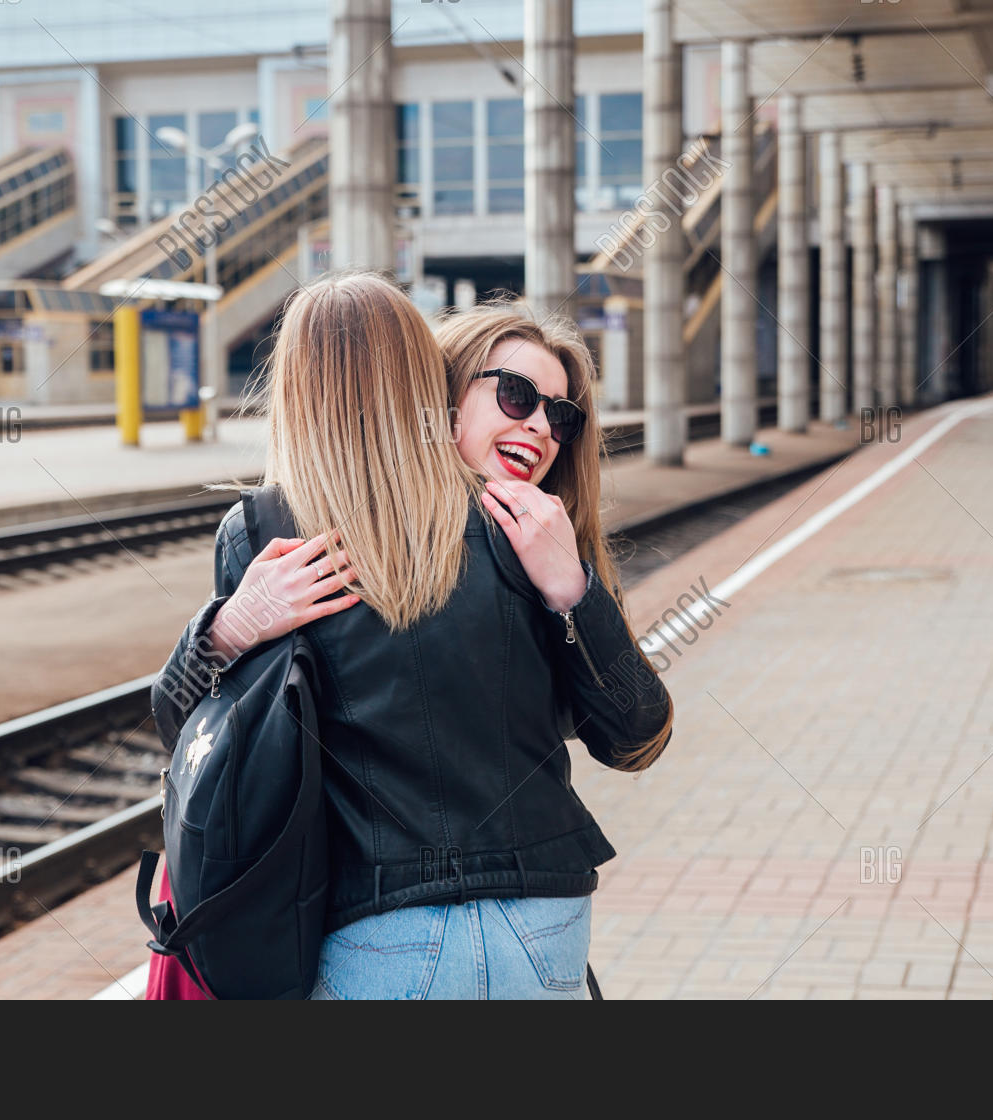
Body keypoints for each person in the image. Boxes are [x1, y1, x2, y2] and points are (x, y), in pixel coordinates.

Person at [150, 271, 672, 999]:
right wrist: (575, 595)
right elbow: (637, 731)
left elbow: (181, 723)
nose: (539, 427)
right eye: (516, 397)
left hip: (376, 935)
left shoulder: (271, 531)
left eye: (563, 416)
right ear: (437, 388)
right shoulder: (516, 532)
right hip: (545, 923)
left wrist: (228, 630)